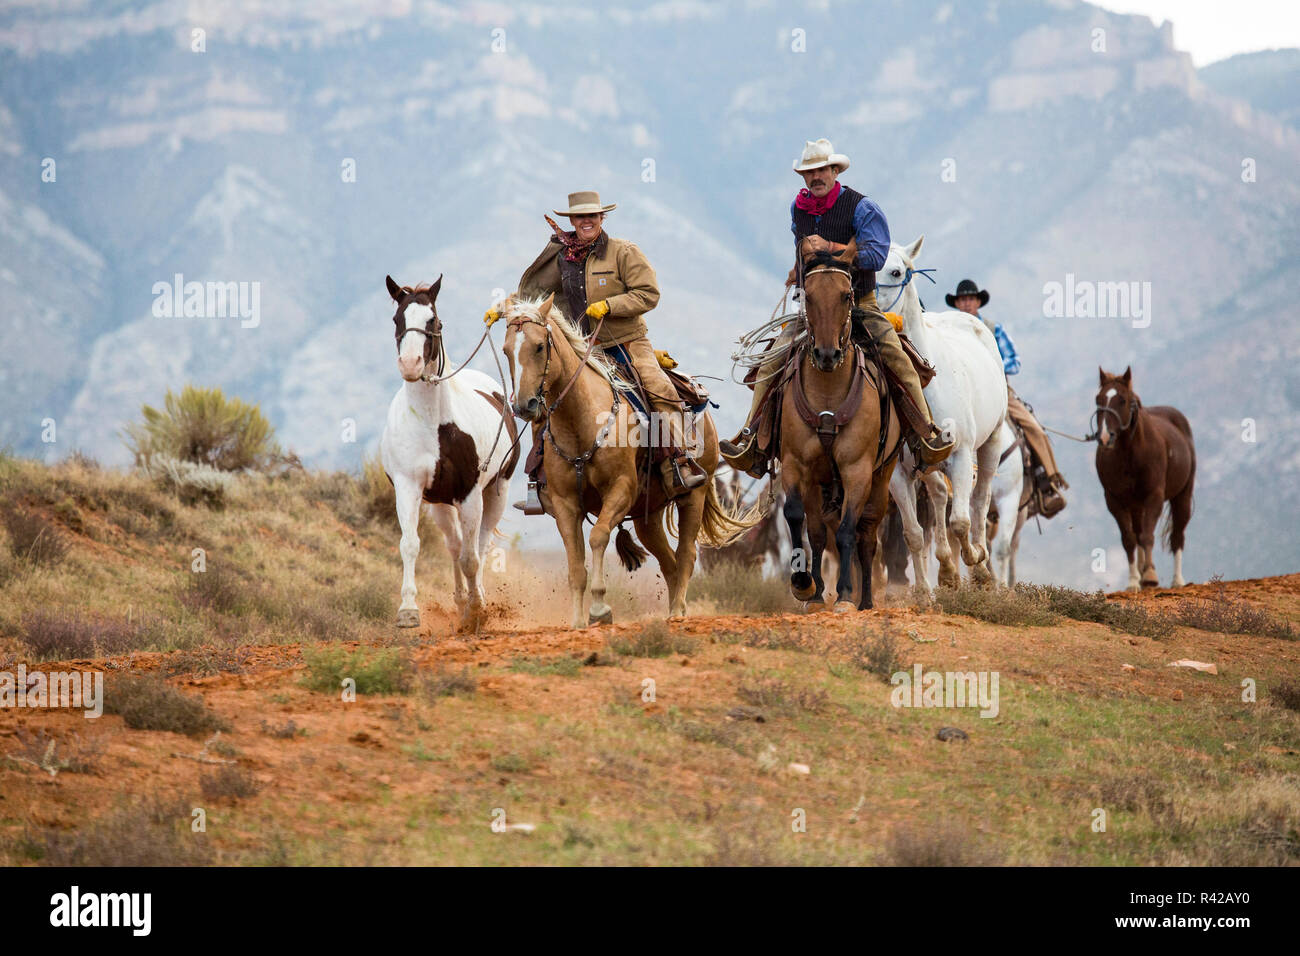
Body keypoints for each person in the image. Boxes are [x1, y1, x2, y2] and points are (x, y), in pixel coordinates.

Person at [720, 139, 954, 478]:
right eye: (809, 172)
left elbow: (875, 256)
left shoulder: (862, 208)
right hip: (814, 309)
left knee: (898, 359)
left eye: (821, 170)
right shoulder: (798, 208)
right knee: (771, 361)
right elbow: (801, 250)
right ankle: (752, 439)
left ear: (834, 171)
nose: (815, 177)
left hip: (859, 302)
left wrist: (830, 246)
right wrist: (798, 271)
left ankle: (924, 435)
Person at [486, 190, 706, 514]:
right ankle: (539, 482)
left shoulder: (623, 252)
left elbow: (649, 293)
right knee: (541, 396)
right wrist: (506, 307)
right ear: (571, 221)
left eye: (592, 216)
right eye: (579, 217)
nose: (585, 221)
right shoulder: (562, 255)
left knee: (657, 386)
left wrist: (610, 305)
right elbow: (537, 293)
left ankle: (677, 463)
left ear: (602, 218)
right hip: (582, 349)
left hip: (627, 343)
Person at [946, 278, 1068, 517]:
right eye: (962, 299)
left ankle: (1048, 483)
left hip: (998, 391)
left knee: (1033, 428)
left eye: (971, 299)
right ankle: (937, 489)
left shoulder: (993, 329)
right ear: (957, 304)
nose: (967, 303)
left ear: (978, 302)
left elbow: (1014, 360)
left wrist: (992, 369)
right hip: (961, 393)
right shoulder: (950, 331)